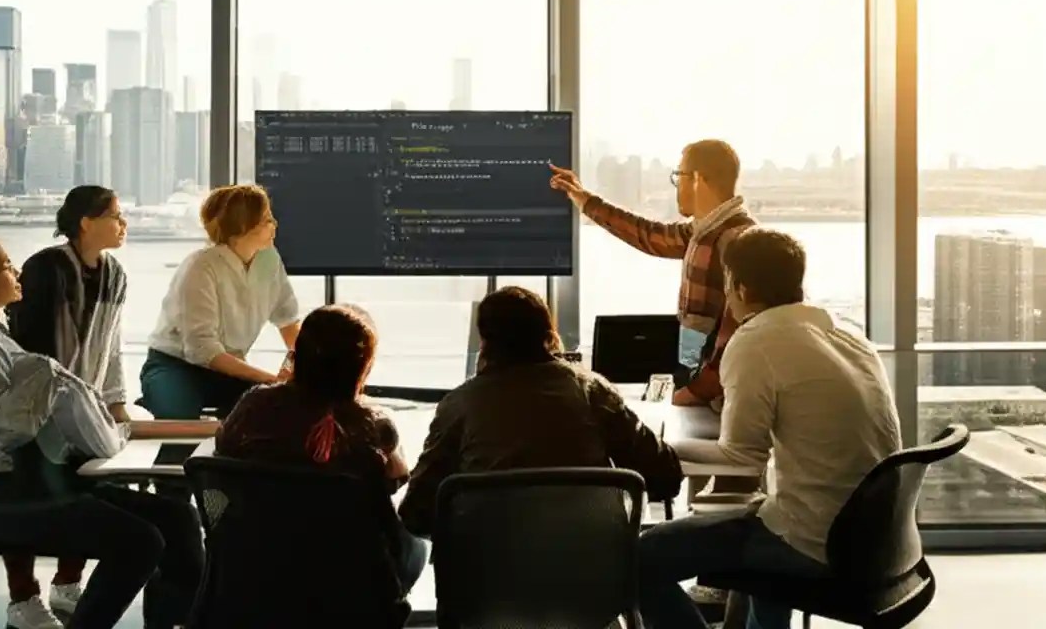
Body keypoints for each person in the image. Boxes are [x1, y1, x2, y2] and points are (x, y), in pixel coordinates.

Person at [0, 233, 208, 629]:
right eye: (6, 266)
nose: (16, 272)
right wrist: (48, 379)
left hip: (29, 483)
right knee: (140, 541)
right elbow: (6, 431)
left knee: (178, 518)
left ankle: (172, 621)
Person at [635, 229, 901, 629]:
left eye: (727, 283)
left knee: (639, 558)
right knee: (760, 521)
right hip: (877, 542)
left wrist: (657, 446)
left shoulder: (755, 340)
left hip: (813, 542)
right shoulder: (849, 335)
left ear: (741, 288)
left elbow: (741, 458)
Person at [398, 286, 683, 538]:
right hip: (591, 566)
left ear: (484, 343)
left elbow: (416, 514)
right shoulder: (591, 391)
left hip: (486, 573)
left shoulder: (459, 404)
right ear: (548, 336)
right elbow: (665, 475)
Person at [214, 304, 428, 595]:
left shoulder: (252, 407)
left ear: (296, 355)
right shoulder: (373, 425)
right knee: (417, 543)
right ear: (363, 367)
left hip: (259, 565)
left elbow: (223, 452)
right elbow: (396, 479)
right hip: (348, 575)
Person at [549, 139, 756, 409]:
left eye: (678, 176)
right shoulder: (704, 231)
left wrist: (697, 391)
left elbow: (738, 332)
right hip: (697, 380)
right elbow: (648, 235)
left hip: (716, 398)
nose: (676, 186)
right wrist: (584, 199)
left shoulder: (738, 241)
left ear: (697, 179)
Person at [1, 185, 128, 621]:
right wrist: (51, 400)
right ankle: (23, 597)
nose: (123, 224)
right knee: (28, 498)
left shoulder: (115, 274)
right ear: (86, 223)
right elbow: (30, 343)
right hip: (36, 404)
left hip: (85, 404)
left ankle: (67, 583)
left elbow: (111, 346)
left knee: (85, 491)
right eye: (114, 215)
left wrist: (115, 402)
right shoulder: (46, 267)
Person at [141, 184, 301, 420]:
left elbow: (288, 321)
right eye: (267, 219)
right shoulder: (200, 267)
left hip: (229, 367)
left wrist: (300, 369)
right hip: (175, 365)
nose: (274, 224)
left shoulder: (269, 259)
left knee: (273, 409)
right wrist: (271, 380)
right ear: (244, 226)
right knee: (178, 415)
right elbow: (202, 349)